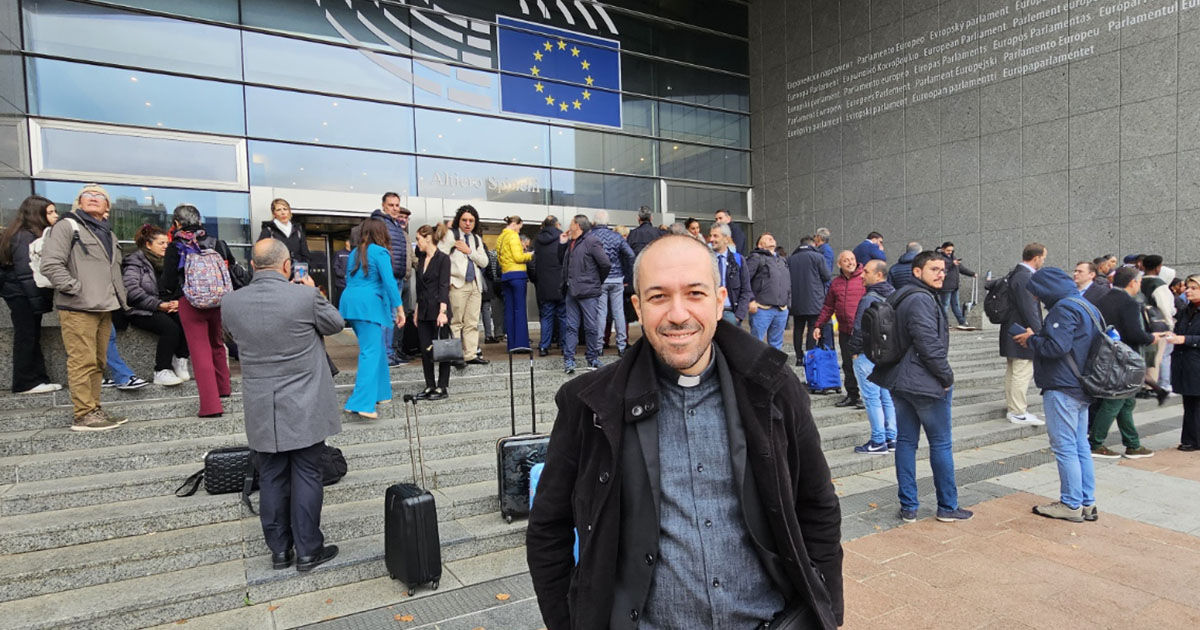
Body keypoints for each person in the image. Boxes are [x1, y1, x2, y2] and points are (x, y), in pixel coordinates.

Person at [527, 234, 844, 630]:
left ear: (719, 299)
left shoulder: (774, 387)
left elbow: (817, 505)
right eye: (658, 297)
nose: (678, 315)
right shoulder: (589, 405)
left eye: (694, 293)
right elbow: (548, 530)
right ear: (637, 307)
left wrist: (827, 612)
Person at [222, 238, 344, 573]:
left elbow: (230, 338)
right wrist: (315, 291)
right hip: (304, 401)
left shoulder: (230, 302)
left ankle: (279, 551)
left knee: (272, 476)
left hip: (261, 403)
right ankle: (308, 550)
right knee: (307, 472)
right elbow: (335, 324)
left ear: (252, 265)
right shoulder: (304, 296)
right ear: (288, 265)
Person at [870, 251, 973, 523]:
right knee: (940, 443)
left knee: (906, 442)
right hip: (924, 382)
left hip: (899, 379)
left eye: (943, 269)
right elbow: (928, 343)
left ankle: (909, 507)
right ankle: (947, 507)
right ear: (917, 272)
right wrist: (947, 377)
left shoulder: (901, 295)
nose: (941, 274)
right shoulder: (920, 300)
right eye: (934, 269)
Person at [1015, 266, 1103, 522]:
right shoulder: (1086, 305)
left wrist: (1031, 341)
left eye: (1037, 294)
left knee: (1065, 447)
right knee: (1080, 446)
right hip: (1083, 384)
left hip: (1063, 385)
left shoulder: (1063, 308)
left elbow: (1056, 347)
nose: (1036, 299)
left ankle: (1071, 504)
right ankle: (1087, 502)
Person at [39, 185, 129, 430]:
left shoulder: (107, 234)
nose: (93, 198)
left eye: (100, 196)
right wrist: (73, 287)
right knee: (82, 361)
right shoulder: (68, 226)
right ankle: (83, 413)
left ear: (107, 207)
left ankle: (94, 409)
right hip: (78, 306)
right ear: (78, 202)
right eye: (87, 195)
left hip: (104, 306)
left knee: (99, 362)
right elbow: (50, 264)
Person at [161, 204, 234, 418]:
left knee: (200, 351)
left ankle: (211, 406)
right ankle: (224, 388)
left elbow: (168, 279)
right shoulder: (214, 241)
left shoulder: (176, 246)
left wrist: (168, 294)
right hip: (218, 301)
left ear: (176, 223)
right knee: (217, 344)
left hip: (191, 302)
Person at [1091, 267, 1165, 459]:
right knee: (1115, 401)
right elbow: (1134, 334)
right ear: (1132, 282)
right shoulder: (1129, 303)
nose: (1139, 285)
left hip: (1106, 356)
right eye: (1139, 282)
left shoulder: (1101, 300)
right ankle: (1095, 443)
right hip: (1125, 359)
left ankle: (1133, 444)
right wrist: (1151, 337)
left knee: (1126, 401)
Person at [338, 218, 405, 418]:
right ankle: (360, 403)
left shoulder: (354, 253)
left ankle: (382, 393)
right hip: (369, 306)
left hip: (351, 304)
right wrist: (400, 310)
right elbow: (390, 283)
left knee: (377, 348)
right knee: (370, 351)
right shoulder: (380, 252)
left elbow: (348, 278)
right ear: (381, 233)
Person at [0, 195, 61, 394]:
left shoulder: (26, 233)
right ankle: (25, 381)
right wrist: (36, 302)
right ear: (37, 215)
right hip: (21, 293)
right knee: (26, 335)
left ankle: (38, 378)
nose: (55, 216)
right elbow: (26, 273)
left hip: (21, 292)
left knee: (31, 335)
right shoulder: (24, 236)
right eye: (50, 212)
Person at [122, 224, 188, 386]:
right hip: (141, 309)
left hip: (166, 306)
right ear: (148, 244)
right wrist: (159, 305)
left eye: (167, 243)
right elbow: (131, 291)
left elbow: (180, 286)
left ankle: (180, 359)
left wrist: (177, 302)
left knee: (187, 319)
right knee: (169, 328)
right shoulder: (135, 262)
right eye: (161, 243)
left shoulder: (170, 262)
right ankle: (161, 370)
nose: (166, 246)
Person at [847, 260, 896, 454]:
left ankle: (878, 440)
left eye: (866, 272)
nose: (861, 275)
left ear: (879, 275)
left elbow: (859, 328)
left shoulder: (869, 298)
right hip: (886, 354)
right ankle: (892, 437)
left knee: (871, 398)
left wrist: (853, 351)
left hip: (867, 354)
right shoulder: (893, 295)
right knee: (886, 397)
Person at [1001, 243, 1047, 426]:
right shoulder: (1025, 276)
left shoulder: (1016, 273)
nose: (1043, 261)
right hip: (1023, 332)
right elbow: (1030, 308)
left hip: (1013, 329)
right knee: (1022, 371)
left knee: (1014, 371)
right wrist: (1038, 332)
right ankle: (1017, 411)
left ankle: (1014, 408)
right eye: (1043, 257)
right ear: (1036, 258)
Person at [438, 205, 490, 366]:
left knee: (472, 322)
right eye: (464, 220)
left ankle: (470, 354)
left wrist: (469, 251)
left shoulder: (476, 239)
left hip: (474, 284)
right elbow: (440, 258)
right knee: (456, 321)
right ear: (458, 220)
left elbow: (484, 261)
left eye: (471, 220)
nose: (468, 223)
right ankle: (455, 355)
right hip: (457, 283)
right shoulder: (450, 235)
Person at [559, 214, 610, 374]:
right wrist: (562, 244)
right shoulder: (572, 242)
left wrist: (596, 281)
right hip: (571, 291)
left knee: (590, 327)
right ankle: (569, 360)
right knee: (571, 327)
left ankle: (592, 358)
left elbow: (605, 264)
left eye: (572, 222)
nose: (569, 225)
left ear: (578, 225)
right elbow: (563, 262)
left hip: (588, 291)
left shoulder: (591, 241)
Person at [814, 251, 865, 404]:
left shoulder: (864, 279)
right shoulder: (835, 283)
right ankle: (852, 395)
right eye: (846, 260)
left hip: (862, 331)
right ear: (839, 264)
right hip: (844, 330)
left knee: (863, 365)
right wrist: (819, 325)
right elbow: (828, 306)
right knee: (847, 364)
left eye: (852, 259)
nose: (850, 262)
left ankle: (866, 396)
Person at [371, 193, 412, 366]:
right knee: (386, 317)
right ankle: (385, 355)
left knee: (392, 317)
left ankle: (389, 352)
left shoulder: (395, 225)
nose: (395, 208)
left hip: (397, 277)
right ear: (384, 205)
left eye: (397, 205)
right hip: (386, 278)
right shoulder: (380, 224)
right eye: (391, 205)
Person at [412, 223, 452, 400]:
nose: (417, 243)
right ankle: (430, 385)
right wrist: (416, 309)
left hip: (438, 309)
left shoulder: (443, 259)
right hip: (423, 310)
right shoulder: (421, 258)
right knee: (425, 348)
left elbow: (444, 286)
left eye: (418, 239)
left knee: (443, 348)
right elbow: (420, 287)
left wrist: (443, 311)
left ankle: (442, 386)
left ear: (427, 237)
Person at [590, 210, 635, 356]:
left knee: (601, 313)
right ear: (607, 222)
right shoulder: (616, 236)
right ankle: (621, 346)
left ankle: (599, 346)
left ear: (594, 222)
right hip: (617, 279)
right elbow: (630, 254)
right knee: (618, 312)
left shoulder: (590, 236)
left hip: (599, 279)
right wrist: (626, 274)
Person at [1166, 275, 1200, 451]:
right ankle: (1189, 439)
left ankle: (1194, 440)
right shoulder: (1187, 310)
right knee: (1189, 403)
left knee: (1196, 403)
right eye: (1187, 287)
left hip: (1195, 363)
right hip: (1185, 363)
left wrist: (1185, 339)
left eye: (1194, 287)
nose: (1188, 291)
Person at [788, 237, 832, 364]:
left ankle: (799, 357)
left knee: (798, 328)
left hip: (796, 299)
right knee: (813, 327)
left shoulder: (791, 259)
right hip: (815, 299)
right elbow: (827, 276)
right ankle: (809, 355)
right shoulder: (818, 257)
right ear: (812, 244)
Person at [745, 232, 790, 351]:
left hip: (781, 309)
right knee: (756, 344)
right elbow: (745, 280)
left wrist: (788, 302)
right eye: (767, 238)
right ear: (760, 245)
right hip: (761, 308)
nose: (771, 239)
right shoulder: (756, 258)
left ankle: (773, 370)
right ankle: (754, 370)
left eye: (772, 238)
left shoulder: (782, 260)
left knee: (776, 346)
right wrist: (750, 300)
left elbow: (787, 282)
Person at [1140, 255, 1177, 391]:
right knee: (1156, 358)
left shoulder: (1137, 282)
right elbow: (1165, 308)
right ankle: (1151, 386)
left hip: (1139, 324)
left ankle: (1140, 384)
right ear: (1158, 268)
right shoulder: (1159, 285)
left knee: (1142, 356)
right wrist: (1170, 326)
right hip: (1156, 325)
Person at [496, 215, 532, 352]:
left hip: (506, 275)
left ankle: (511, 344)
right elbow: (518, 257)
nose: (519, 230)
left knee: (509, 311)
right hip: (518, 275)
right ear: (515, 224)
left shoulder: (500, 237)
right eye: (519, 227)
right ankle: (521, 344)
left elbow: (500, 259)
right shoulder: (513, 236)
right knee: (520, 310)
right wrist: (530, 255)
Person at [532, 216, 566, 356]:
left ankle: (544, 346)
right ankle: (564, 346)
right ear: (556, 224)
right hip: (560, 283)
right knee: (563, 315)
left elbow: (533, 262)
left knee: (546, 316)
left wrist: (537, 279)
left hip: (544, 284)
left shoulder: (537, 240)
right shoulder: (562, 237)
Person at [708, 223, 751, 326]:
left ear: (726, 239)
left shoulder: (738, 260)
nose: (711, 239)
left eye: (715, 236)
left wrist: (738, 316)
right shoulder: (705, 260)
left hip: (731, 314)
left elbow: (746, 290)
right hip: (709, 314)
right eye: (711, 235)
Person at [258, 198, 310, 264]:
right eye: (278, 210)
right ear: (274, 213)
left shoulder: (298, 231)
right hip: (276, 270)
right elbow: (260, 253)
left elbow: (306, 256)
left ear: (289, 211)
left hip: (297, 271)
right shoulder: (268, 231)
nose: (283, 212)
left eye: (285, 209)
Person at [938, 242, 977, 329]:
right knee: (945, 305)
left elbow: (961, 268)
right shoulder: (939, 258)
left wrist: (972, 274)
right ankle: (944, 323)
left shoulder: (953, 258)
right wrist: (952, 264)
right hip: (946, 286)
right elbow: (943, 268)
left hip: (954, 286)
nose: (950, 252)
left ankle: (962, 322)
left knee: (955, 304)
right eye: (948, 250)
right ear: (943, 249)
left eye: (951, 250)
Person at [332, 240, 350, 307]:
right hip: (341, 284)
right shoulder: (339, 253)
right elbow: (335, 267)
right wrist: (343, 275)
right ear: (346, 242)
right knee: (340, 302)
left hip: (352, 284)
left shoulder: (356, 253)